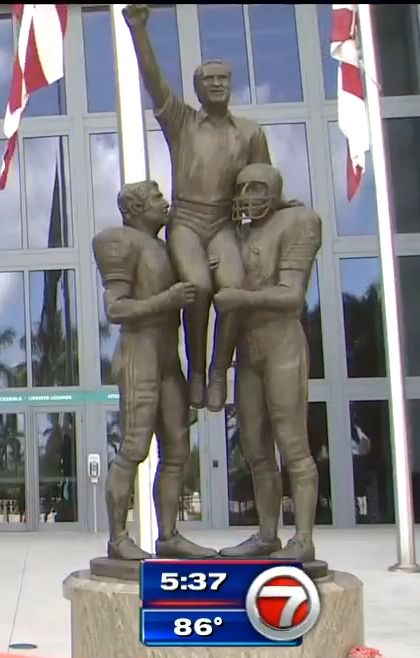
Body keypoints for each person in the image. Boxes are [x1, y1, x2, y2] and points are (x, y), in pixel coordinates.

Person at [122, 3, 272, 412]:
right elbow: (153, 80)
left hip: (223, 223)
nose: (218, 84)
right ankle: (198, 372)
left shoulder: (250, 132)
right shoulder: (182, 121)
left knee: (234, 290)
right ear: (198, 88)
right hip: (186, 221)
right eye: (210, 79)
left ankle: (220, 368)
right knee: (199, 288)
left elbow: (265, 184)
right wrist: (138, 30)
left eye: (224, 78)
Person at [92, 180, 217, 561]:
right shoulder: (118, 242)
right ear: (134, 209)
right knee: (134, 447)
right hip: (139, 352)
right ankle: (118, 538)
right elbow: (116, 309)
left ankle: (169, 535)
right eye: (156, 199)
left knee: (177, 447)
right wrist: (169, 298)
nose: (165, 204)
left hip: (167, 357)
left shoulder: (166, 249)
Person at [214, 164, 323, 562]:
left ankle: (304, 537)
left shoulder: (299, 221)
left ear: (274, 189)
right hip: (249, 349)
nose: (246, 195)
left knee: (293, 444)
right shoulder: (237, 235)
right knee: (255, 447)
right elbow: (228, 313)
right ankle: (266, 533)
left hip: (282, 342)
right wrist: (217, 368)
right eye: (240, 187)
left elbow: (292, 295)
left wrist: (241, 299)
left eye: (255, 187)